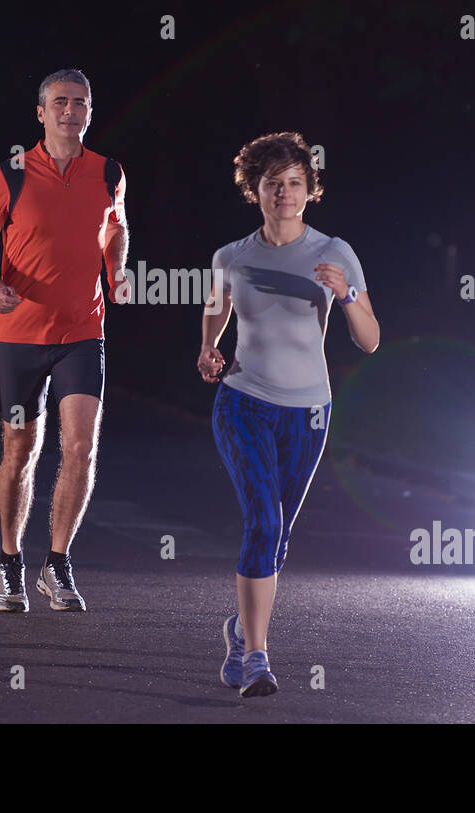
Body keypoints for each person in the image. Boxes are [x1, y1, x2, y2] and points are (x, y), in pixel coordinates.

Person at [198, 131, 380, 698]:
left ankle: (238, 628)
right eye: (273, 184)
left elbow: (370, 340)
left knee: (276, 542)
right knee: (264, 523)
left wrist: (347, 295)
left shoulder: (335, 252)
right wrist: (208, 349)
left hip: (309, 414)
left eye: (295, 183)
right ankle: (257, 656)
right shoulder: (232, 256)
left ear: (310, 189)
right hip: (243, 402)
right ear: (254, 189)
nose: (284, 193)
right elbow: (215, 310)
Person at [0, 69, 129, 613]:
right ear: (40, 112)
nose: (69, 111)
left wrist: (117, 271)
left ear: (89, 111)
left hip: (84, 333)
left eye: (79, 103)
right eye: (59, 102)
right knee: (22, 449)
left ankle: (57, 563)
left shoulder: (109, 172)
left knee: (81, 447)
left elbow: (116, 227)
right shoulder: (9, 174)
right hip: (20, 338)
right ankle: (9, 563)